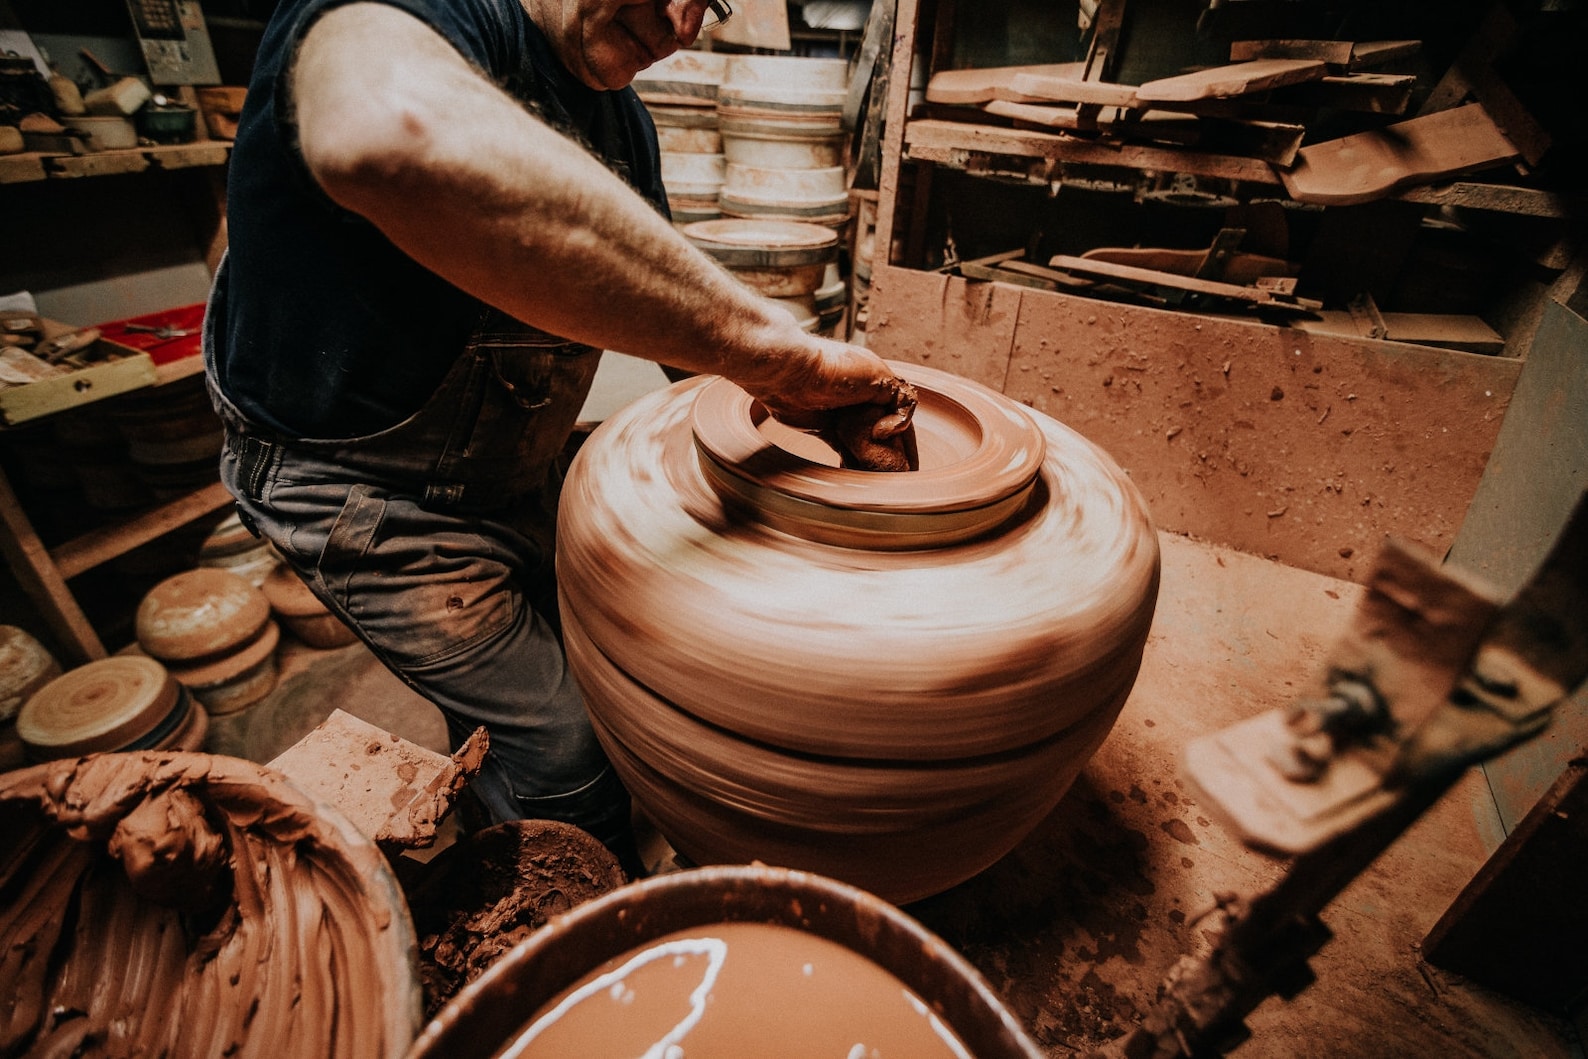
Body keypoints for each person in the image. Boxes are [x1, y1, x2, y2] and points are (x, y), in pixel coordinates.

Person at [203, 0, 914, 872]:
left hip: (503, 466)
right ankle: (562, 936)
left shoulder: (622, 126)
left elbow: (675, 330)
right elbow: (390, 132)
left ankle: (497, 796)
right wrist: (765, 344)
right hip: (356, 482)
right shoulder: (423, 14)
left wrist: (790, 430)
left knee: (616, 654)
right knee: (570, 756)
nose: (682, 22)